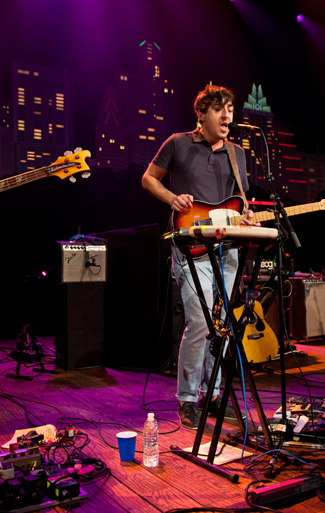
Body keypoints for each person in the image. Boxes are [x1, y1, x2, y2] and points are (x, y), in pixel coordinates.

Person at [142, 84, 258, 429]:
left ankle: (215, 394)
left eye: (231, 110)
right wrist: (171, 198)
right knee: (201, 323)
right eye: (219, 109)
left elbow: (241, 200)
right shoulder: (178, 143)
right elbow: (149, 179)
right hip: (190, 249)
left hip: (228, 249)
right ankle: (188, 398)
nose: (227, 116)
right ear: (201, 113)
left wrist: (248, 217)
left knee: (222, 326)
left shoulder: (237, 152)